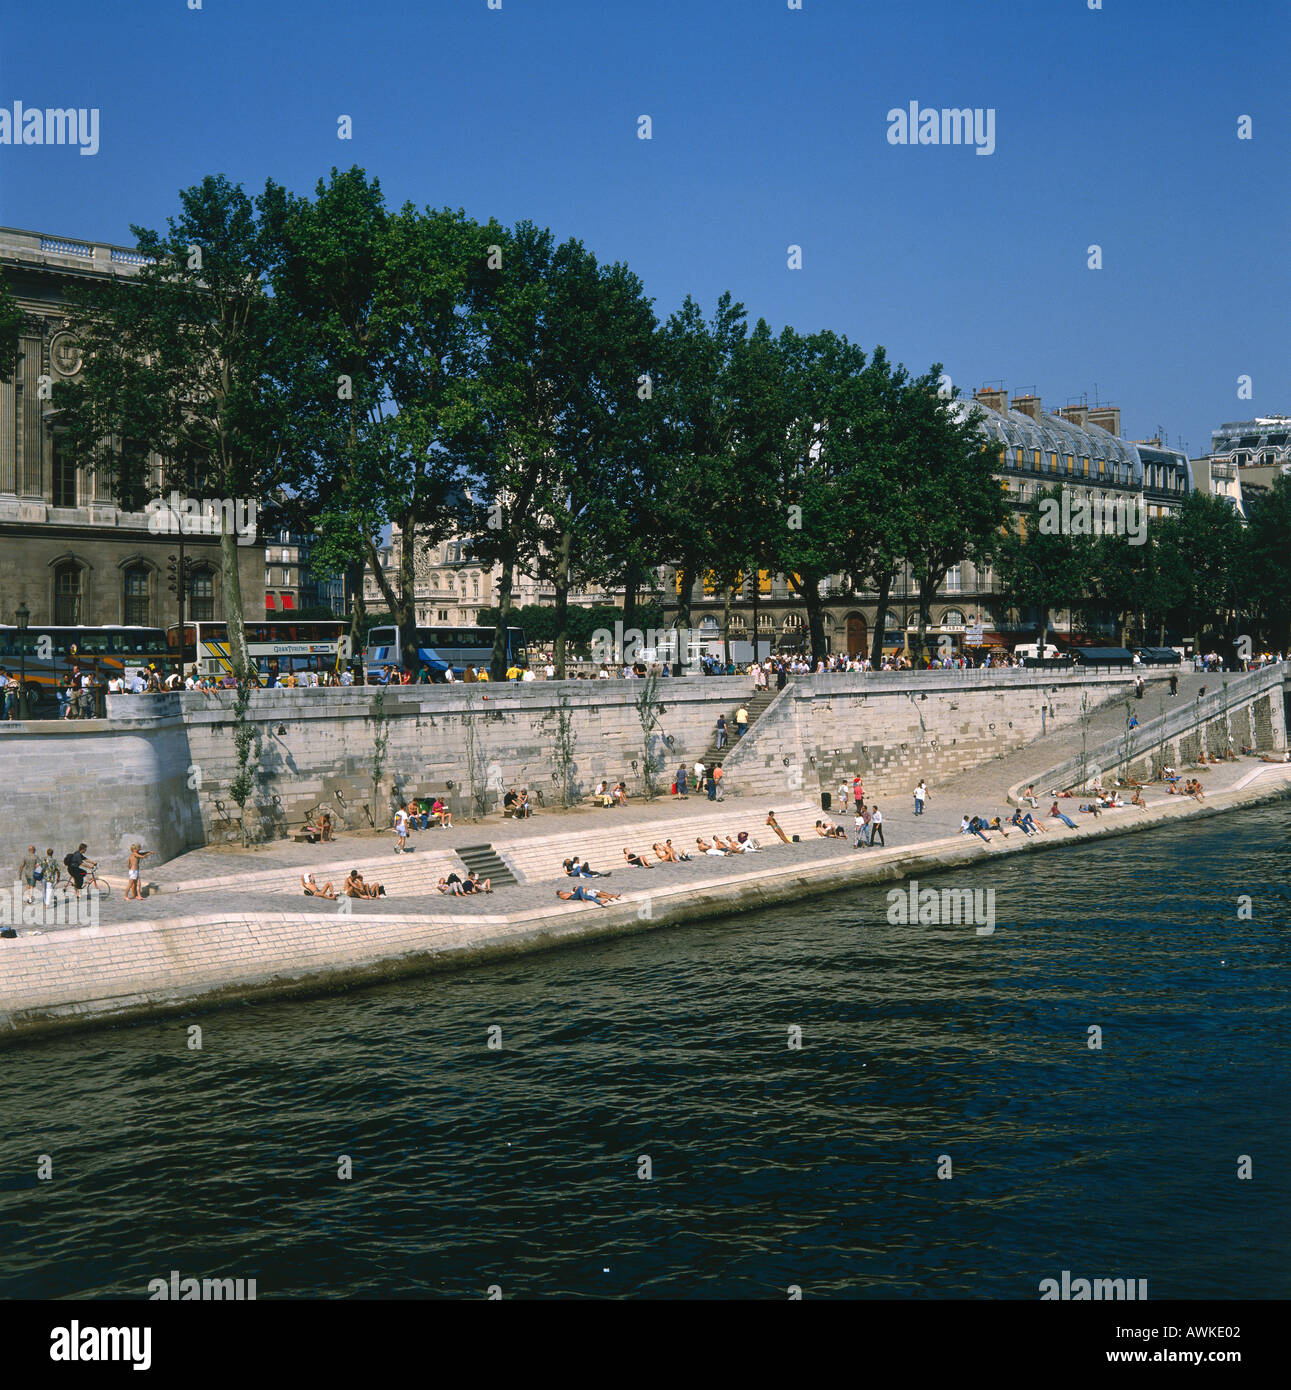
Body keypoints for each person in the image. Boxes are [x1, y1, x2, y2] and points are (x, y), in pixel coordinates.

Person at [556, 885, 621, 906]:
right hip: (573, 897)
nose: (561, 891)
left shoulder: (564, 893)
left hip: (578, 895)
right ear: (559, 893)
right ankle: (583, 898)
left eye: (561, 891)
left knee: (591, 897)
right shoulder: (562, 896)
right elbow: (567, 897)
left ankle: (600, 902)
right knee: (580, 887)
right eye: (560, 892)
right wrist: (571, 893)